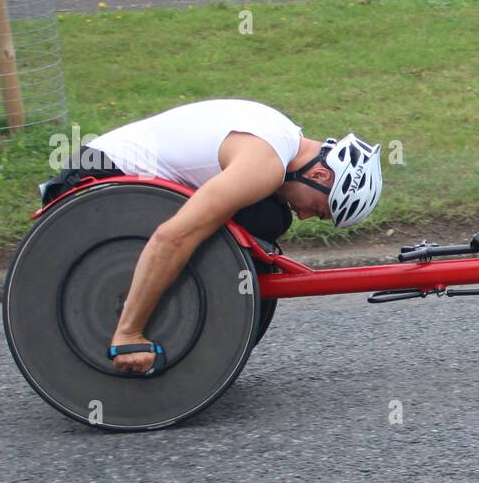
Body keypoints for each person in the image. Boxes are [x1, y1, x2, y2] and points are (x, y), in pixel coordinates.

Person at [45, 99, 382, 376]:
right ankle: (128, 325)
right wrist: (129, 332)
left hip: (109, 169)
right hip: (95, 181)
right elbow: (171, 238)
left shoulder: (282, 135)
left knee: (267, 218)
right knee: (263, 217)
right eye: (321, 210)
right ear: (320, 174)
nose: (306, 216)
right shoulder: (264, 165)